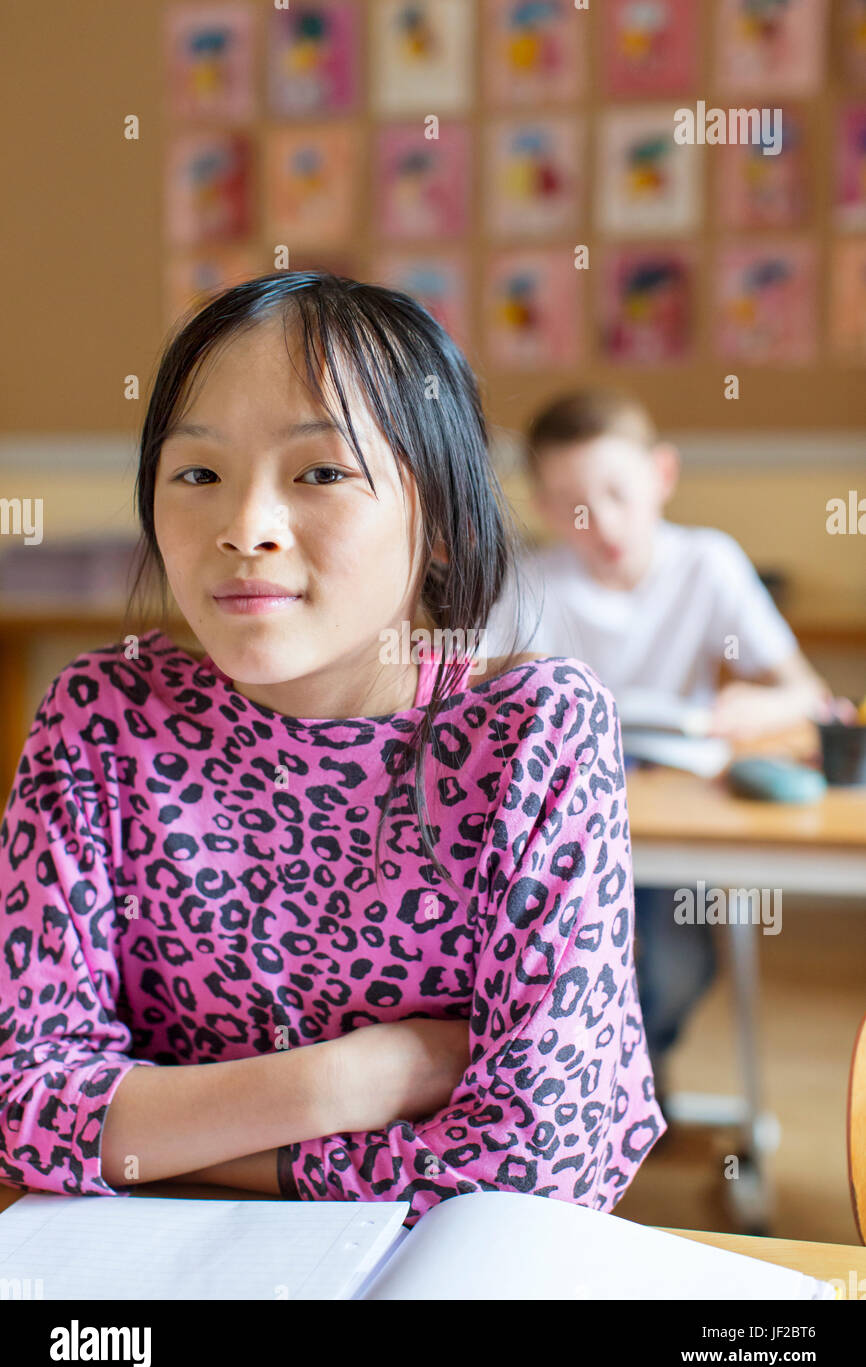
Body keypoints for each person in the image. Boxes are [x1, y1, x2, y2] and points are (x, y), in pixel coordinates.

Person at [0, 275, 665, 1228]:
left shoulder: (533, 732)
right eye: (198, 475)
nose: (245, 529)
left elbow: (538, 1158)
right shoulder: (101, 716)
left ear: (444, 526)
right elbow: (24, 1104)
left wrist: (176, 1142)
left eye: (319, 473)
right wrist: (358, 1080)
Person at [484, 388, 830, 1107]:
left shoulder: (707, 563)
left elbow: (807, 692)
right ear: (545, 508)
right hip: (566, 831)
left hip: (671, 820)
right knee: (548, 966)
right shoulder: (529, 582)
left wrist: (761, 700)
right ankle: (579, 1091)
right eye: (574, 504)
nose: (602, 521)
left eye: (618, 492)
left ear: (662, 477)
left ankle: (627, 1080)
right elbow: (477, 703)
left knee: (669, 967)